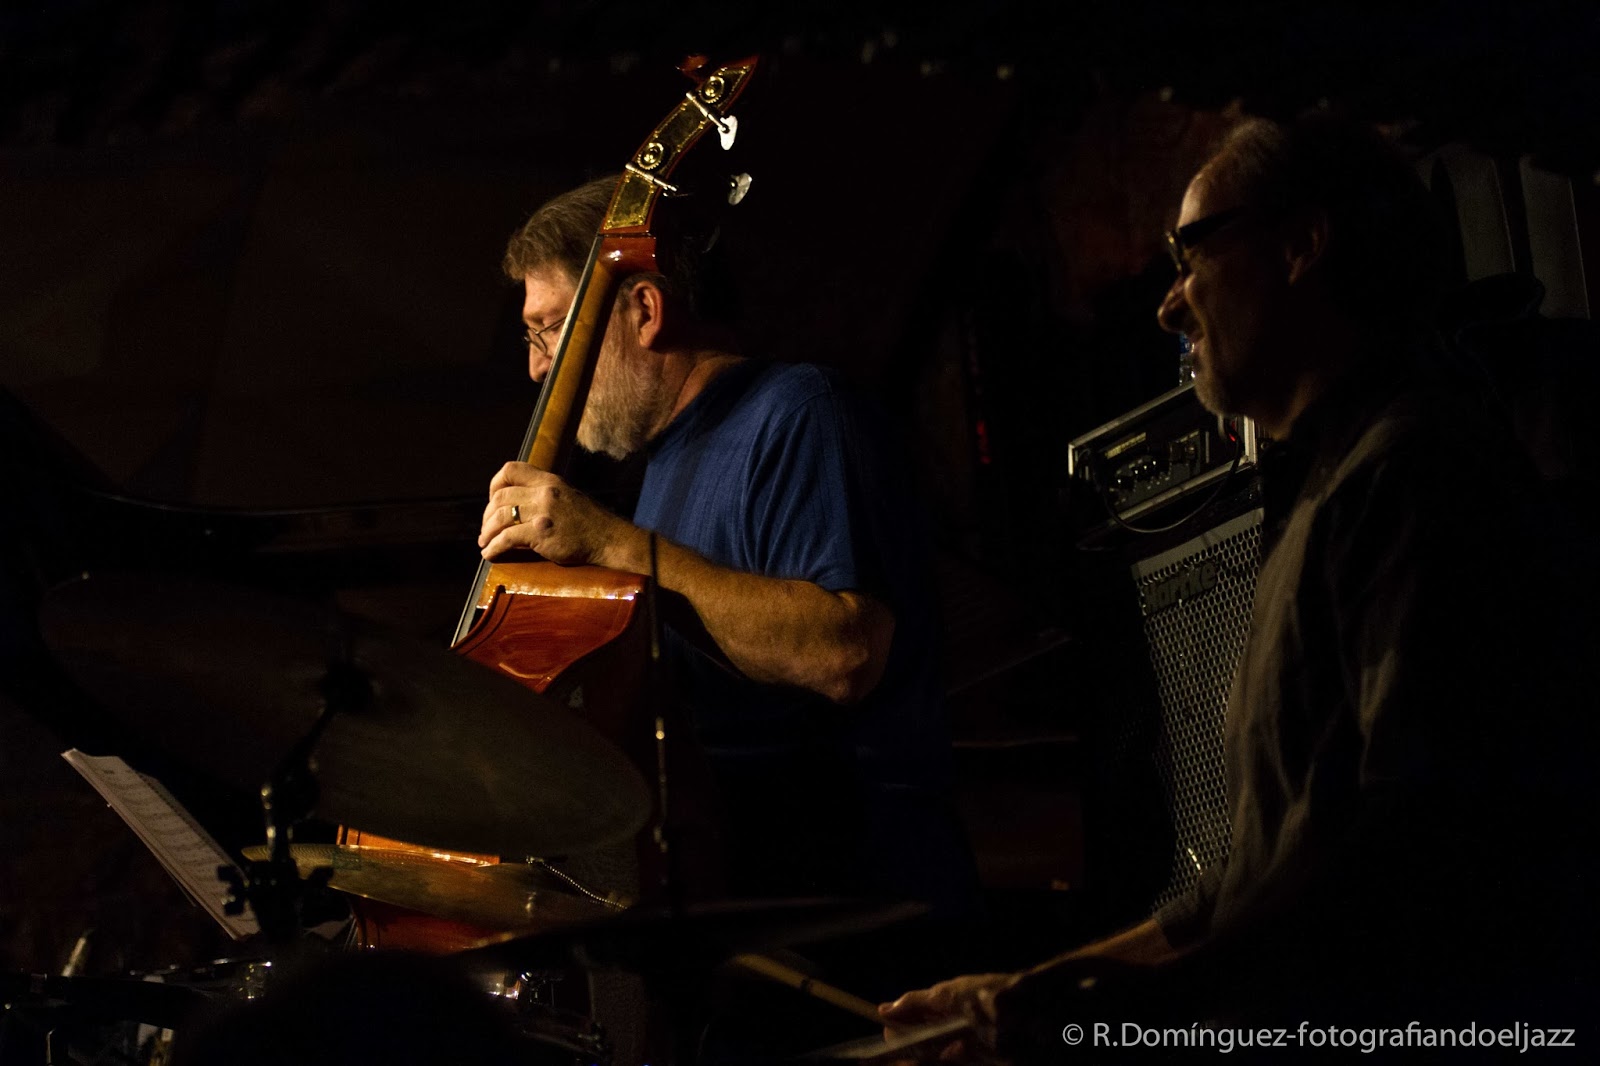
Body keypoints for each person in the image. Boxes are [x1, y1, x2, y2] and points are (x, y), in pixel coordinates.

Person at [880, 115, 1596, 1058]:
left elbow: (1406, 839)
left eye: (1191, 254)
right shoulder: (1333, 489)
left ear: (1302, 245)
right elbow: (1257, 878)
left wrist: (1132, 1009)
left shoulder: (1414, 472)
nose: (1171, 305)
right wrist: (1041, 986)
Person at [477, 176, 973, 917]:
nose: (538, 368)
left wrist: (613, 545)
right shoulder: (659, 474)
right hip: (738, 897)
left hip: (858, 911)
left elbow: (846, 654)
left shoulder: (800, 413)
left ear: (644, 311)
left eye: (551, 330)